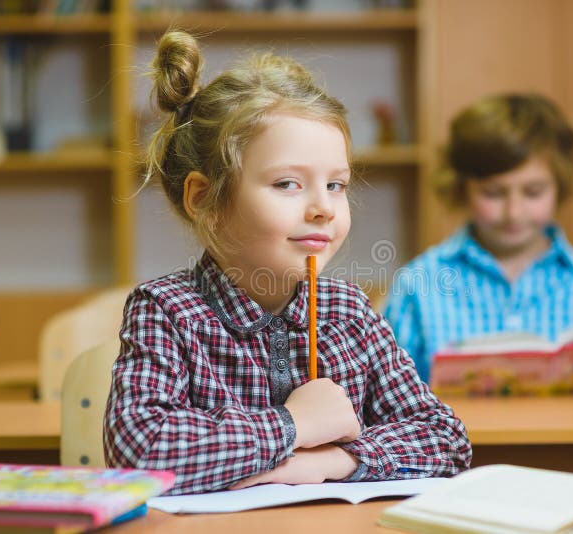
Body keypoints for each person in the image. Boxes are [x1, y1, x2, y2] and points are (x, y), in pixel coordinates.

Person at [103, 30, 471, 495]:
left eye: (336, 185)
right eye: (287, 184)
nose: (323, 208)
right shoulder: (167, 311)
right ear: (204, 198)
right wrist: (293, 424)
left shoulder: (349, 311)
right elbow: (139, 449)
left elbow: (444, 438)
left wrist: (334, 461)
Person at [383, 93, 573, 383]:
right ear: (461, 188)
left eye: (533, 192)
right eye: (493, 193)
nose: (514, 213)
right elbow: (384, 399)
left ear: (560, 185)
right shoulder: (418, 284)